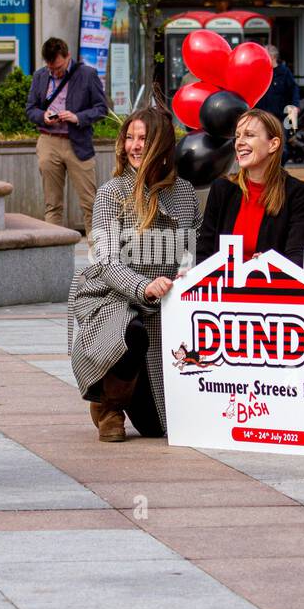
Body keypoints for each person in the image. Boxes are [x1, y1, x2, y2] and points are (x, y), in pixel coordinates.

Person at [68, 107, 199, 442]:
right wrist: (144, 287)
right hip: (112, 300)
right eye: (130, 138)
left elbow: (197, 247)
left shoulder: (185, 193)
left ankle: (130, 395)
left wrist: (189, 272)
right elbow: (106, 261)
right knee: (132, 331)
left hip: (164, 308)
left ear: (162, 145)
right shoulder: (112, 193)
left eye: (143, 138)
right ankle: (108, 407)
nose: (134, 146)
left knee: (156, 429)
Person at [196, 109, 304, 265]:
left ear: (273, 144)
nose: (239, 142)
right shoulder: (222, 189)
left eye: (249, 135)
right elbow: (203, 253)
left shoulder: (298, 193)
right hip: (224, 280)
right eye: (237, 136)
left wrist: (271, 264)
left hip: (270, 281)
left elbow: (298, 258)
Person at [27, 37, 109, 237]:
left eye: (59, 67)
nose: (55, 72)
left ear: (68, 56)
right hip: (48, 141)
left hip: (78, 142)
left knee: (90, 202)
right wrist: (43, 116)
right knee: (52, 204)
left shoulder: (87, 74)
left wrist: (77, 117)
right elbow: (30, 109)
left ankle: (97, 251)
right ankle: (53, 250)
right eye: (51, 68)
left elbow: (102, 108)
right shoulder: (40, 76)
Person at [256, 45, 301, 138]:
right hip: (263, 115)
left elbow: (294, 89)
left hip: (280, 115)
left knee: (281, 141)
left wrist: (295, 106)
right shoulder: (261, 72)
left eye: (265, 56)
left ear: (272, 57)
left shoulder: (284, 72)